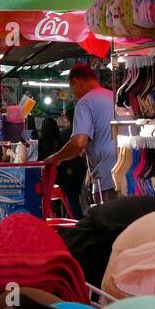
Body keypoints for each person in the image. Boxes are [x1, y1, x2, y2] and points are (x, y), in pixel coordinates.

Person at [43, 64, 117, 210]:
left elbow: (78, 143)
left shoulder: (85, 102)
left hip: (107, 177)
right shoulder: (113, 96)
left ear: (77, 82)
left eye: (72, 89)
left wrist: (54, 158)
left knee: (110, 228)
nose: (74, 94)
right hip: (129, 173)